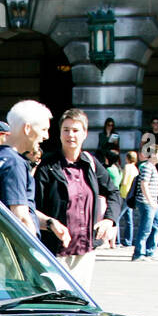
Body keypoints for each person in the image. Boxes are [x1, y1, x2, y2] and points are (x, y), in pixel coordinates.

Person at [33, 108, 121, 290]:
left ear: (85, 133)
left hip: (85, 252)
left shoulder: (91, 163)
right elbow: (31, 207)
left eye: (75, 130)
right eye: (66, 130)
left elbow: (114, 193)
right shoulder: (47, 166)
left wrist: (109, 220)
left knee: (81, 309)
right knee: (56, 308)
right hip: (55, 253)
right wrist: (50, 223)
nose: (70, 135)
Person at [0, 101, 53, 236]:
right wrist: (34, 251)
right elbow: (21, 217)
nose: (46, 136)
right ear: (27, 129)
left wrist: (50, 223)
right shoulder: (15, 163)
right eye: (43, 129)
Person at [129, 144, 158, 260]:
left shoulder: (152, 167)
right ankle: (139, 253)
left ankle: (149, 251)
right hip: (146, 202)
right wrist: (150, 201)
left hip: (152, 202)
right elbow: (144, 184)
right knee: (145, 228)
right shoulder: (147, 167)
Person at [117, 149, 139, 246]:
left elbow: (125, 181)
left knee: (117, 218)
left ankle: (117, 240)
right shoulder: (136, 169)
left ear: (127, 158)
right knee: (129, 220)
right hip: (131, 195)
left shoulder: (127, 167)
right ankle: (128, 240)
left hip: (124, 193)